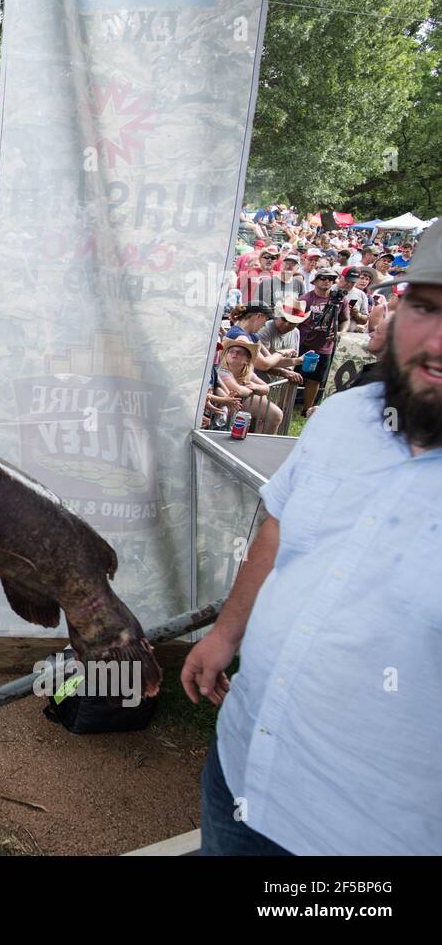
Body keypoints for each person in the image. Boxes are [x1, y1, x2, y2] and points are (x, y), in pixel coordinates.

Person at [182, 263, 442, 855]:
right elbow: (280, 527)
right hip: (243, 766)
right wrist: (227, 633)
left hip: (367, 834)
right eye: (426, 307)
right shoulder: (347, 416)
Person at [296, 268, 349, 416]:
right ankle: (287, 404)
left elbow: (345, 320)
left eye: (331, 279)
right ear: (315, 281)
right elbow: (295, 323)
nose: (327, 281)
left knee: (315, 379)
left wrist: (340, 332)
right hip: (305, 343)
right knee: (296, 376)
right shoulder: (305, 299)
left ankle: (306, 409)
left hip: (326, 346)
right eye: (323, 278)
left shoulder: (339, 299)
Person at [216, 336, 281, 434]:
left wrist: (256, 387)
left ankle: (259, 445)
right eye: (231, 351)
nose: (234, 354)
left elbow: (266, 388)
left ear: (247, 360)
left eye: (240, 352)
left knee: (275, 415)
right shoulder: (222, 372)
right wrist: (252, 390)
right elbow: (238, 391)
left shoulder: (247, 373)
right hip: (220, 408)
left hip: (239, 405)